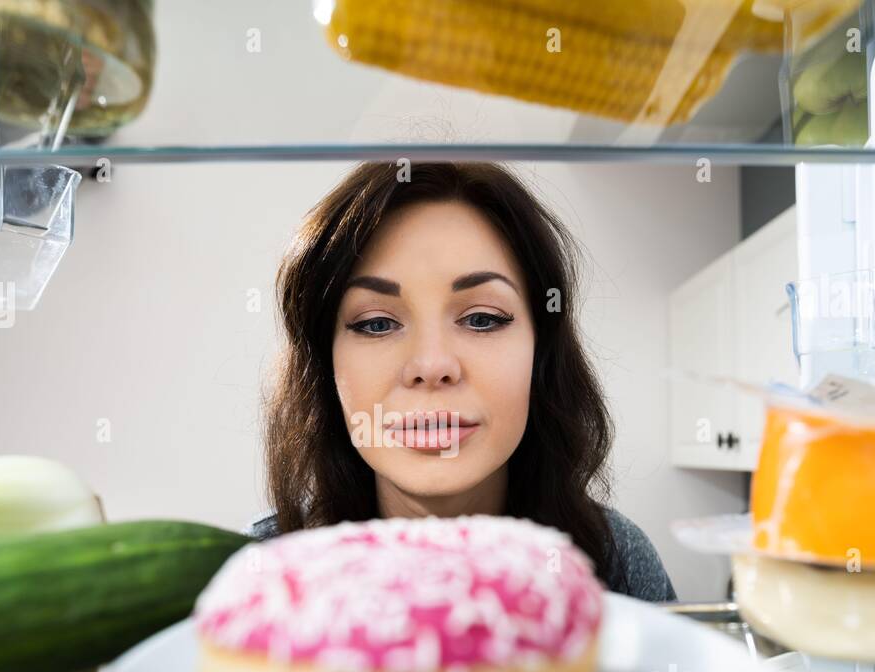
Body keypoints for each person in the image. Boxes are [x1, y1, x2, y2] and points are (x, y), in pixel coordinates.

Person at [248, 161, 675, 603]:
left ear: (541, 352)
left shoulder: (615, 562)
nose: (432, 365)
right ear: (325, 363)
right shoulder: (260, 567)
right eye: (376, 324)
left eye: (482, 319)